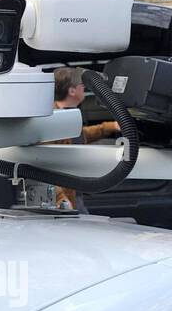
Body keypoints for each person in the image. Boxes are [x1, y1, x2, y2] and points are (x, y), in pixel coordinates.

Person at [48, 67, 121, 210]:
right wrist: (60, 198)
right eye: (82, 86)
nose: (84, 90)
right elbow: (44, 165)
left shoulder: (67, 116)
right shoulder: (51, 120)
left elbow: (80, 135)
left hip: (74, 192)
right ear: (72, 91)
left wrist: (111, 126)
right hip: (65, 197)